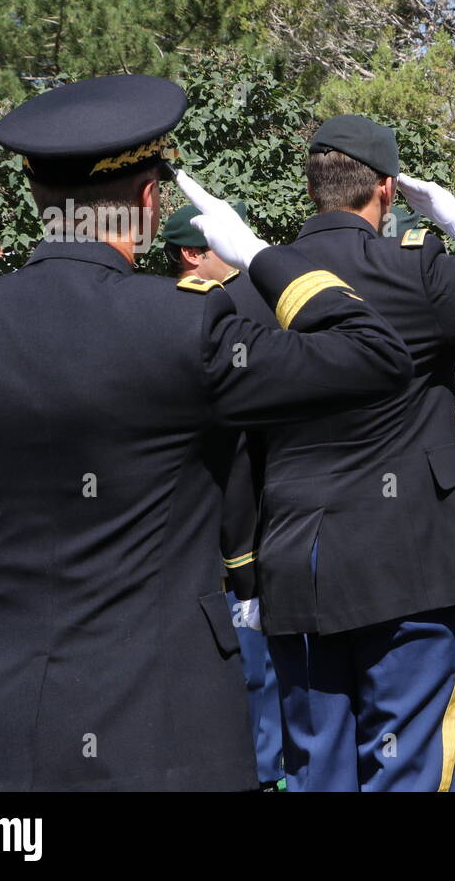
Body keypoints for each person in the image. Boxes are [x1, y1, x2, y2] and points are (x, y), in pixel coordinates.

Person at [0, 74, 413, 791]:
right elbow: (376, 355)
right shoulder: (186, 324)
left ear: (37, 195)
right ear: (147, 202)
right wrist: (261, 255)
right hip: (165, 736)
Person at [250, 115, 455, 793]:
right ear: (385, 189)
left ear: (313, 186)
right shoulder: (415, 273)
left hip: (295, 555)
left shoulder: (253, 285)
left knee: (318, 769)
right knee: (408, 763)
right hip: (406, 554)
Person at [159, 202, 284, 789]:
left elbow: (234, 448)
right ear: (195, 252)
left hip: (233, 519)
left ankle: (256, 764)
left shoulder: (218, 310)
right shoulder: (257, 299)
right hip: (257, 517)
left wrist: (240, 553)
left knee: (245, 659)